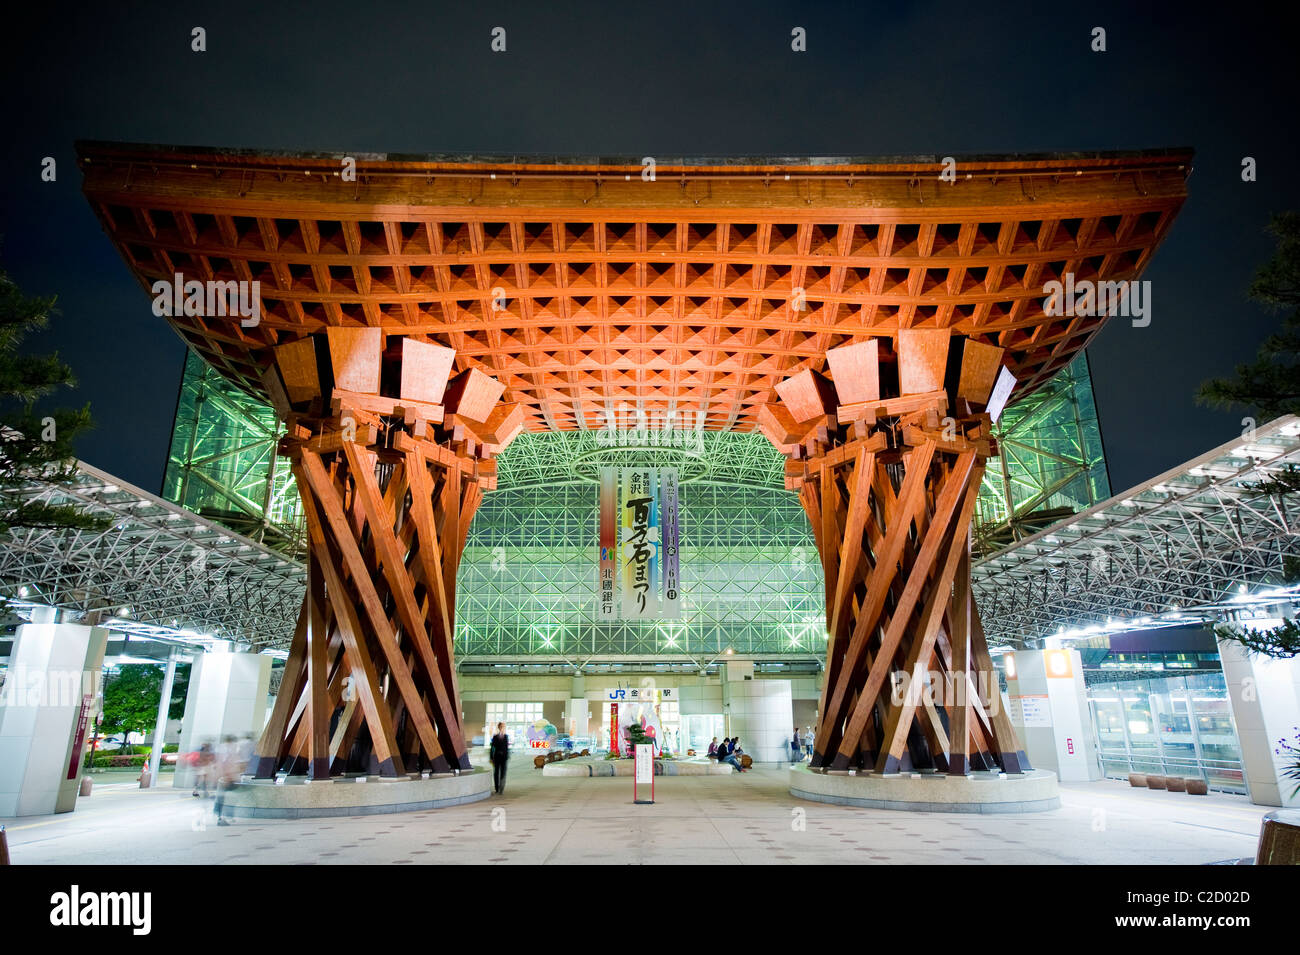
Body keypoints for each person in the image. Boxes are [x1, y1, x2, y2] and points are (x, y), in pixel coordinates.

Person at [212, 736, 241, 826]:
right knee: (227, 798)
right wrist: (228, 776)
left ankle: (222, 817)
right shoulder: (228, 752)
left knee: (224, 798)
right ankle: (223, 818)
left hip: (224, 778)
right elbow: (225, 765)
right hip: (227, 778)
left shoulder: (224, 750)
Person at [489, 722, 510, 795]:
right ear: (499, 727)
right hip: (496, 757)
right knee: (496, 773)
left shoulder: (506, 737)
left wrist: (507, 756)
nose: (502, 728)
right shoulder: (495, 737)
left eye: (503, 727)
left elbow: (507, 748)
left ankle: (501, 789)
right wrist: (491, 757)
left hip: (504, 758)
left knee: (503, 773)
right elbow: (492, 748)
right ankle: (497, 788)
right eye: (501, 726)